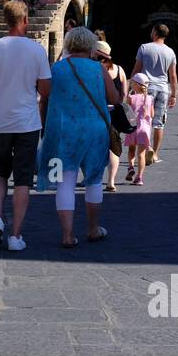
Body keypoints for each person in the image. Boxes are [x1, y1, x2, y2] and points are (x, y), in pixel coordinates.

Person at [0, 0, 51, 252]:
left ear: (5, 21)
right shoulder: (37, 50)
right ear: (25, 19)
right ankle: (16, 236)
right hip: (27, 123)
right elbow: (45, 90)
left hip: (1, 122)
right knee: (22, 179)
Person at [38, 27, 121, 247]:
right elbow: (115, 97)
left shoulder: (57, 68)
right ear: (91, 45)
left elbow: (44, 99)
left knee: (65, 181)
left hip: (64, 130)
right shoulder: (98, 69)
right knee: (93, 180)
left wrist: (44, 125)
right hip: (95, 130)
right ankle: (93, 229)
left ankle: (67, 235)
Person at [131, 23, 178, 165]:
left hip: (147, 87)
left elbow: (137, 69)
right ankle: (156, 154)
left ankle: (146, 148)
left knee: (144, 120)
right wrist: (174, 94)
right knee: (159, 123)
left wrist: (131, 86)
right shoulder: (170, 52)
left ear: (155, 33)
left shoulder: (144, 48)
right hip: (163, 89)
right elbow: (173, 76)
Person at [98, 42, 128, 190]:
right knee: (114, 148)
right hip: (114, 113)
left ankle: (89, 177)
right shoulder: (119, 69)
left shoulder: (95, 70)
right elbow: (124, 94)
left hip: (97, 112)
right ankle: (111, 181)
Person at [121, 73, 155, 187]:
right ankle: (139, 177)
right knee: (141, 154)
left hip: (133, 127)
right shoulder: (150, 98)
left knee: (131, 150)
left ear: (136, 84)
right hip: (145, 129)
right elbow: (152, 114)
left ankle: (130, 167)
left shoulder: (130, 98)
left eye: (132, 83)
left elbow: (127, 112)